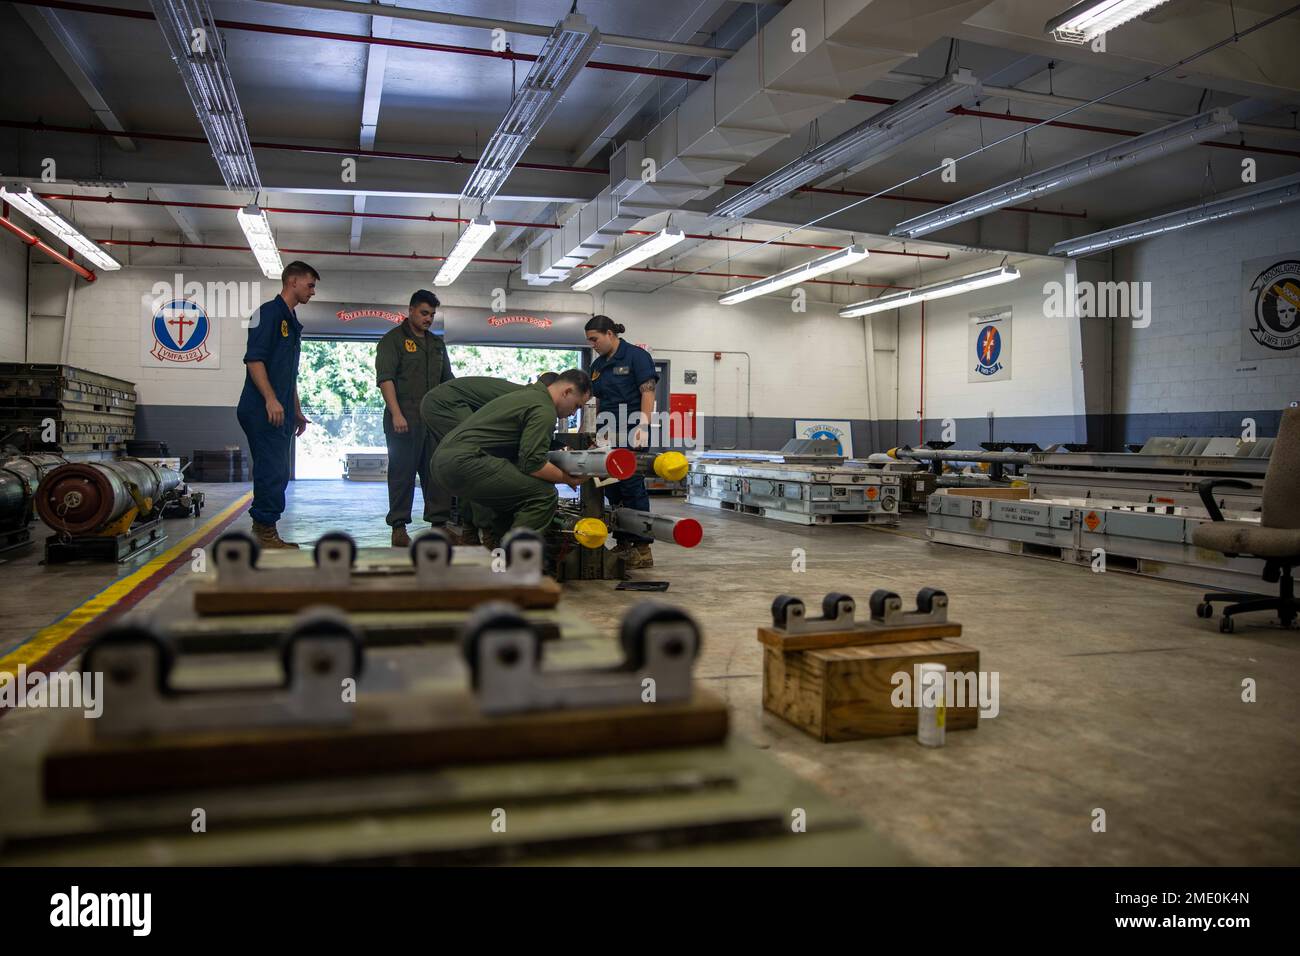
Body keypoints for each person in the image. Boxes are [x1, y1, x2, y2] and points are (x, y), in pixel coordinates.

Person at [432, 370, 589, 564]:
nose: (573, 412)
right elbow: (532, 464)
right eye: (576, 406)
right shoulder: (544, 409)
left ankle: (497, 556)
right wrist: (568, 479)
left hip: (444, 462)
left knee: (513, 496)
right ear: (567, 391)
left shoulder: (527, 395)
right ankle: (515, 565)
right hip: (465, 461)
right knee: (543, 494)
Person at [419, 372, 559, 549]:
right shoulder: (532, 400)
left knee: (477, 466)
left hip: (438, 402)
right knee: (478, 465)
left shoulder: (526, 396)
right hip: (446, 404)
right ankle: (487, 533)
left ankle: (471, 530)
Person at [236, 260, 318, 549]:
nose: (313, 291)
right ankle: (264, 530)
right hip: (261, 408)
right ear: (293, 281)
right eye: (310, 284)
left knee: (278, 469)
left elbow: (288, 373)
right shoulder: (268, 314)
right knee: (272, 469)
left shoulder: (291, 322)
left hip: (280, 408)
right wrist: (271, 399)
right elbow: (254, 360)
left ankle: (265, 527)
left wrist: (294, 408)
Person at [376, 290, 454, 548]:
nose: (429, 319)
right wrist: (396, 413)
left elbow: (447, 382)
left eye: (432, 314)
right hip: (404, 420)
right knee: (402, 474)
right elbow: (385, 378)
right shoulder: (393, 341)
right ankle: (398, 528)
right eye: (424, 313)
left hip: (433, 421)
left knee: (437, 474)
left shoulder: (437, 344)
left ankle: (439, 525)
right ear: (410, 310)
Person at [585, 315, 658, 568]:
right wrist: (594, 434)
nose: (592, 344)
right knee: (612, 487)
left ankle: (642, 548)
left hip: (632, 431)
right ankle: (624, 543)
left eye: (595, 339)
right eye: (589, 341)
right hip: (607, 434)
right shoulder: (597, 366)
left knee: (632, 487)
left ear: (609, 334)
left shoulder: (636, 356)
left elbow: (648, 391)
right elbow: (598, 401)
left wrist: (644, 425)